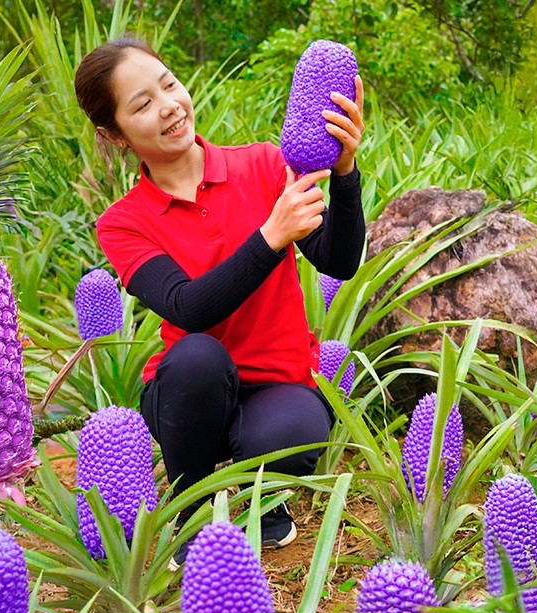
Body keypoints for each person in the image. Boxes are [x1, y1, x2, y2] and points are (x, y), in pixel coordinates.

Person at [74, 38, 366, 563]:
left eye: (168, 84)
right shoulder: (123, 222)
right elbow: (189, 308)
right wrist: (269, 236)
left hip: (276, 382)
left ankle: (261, 496)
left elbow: (338, 262)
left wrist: (344, 177)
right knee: (197, 356)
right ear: (114, 134)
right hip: (189, 391)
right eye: (141, 104)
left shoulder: (264, 165)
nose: (167, 106)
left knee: (296, 432)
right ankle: (193, 503)